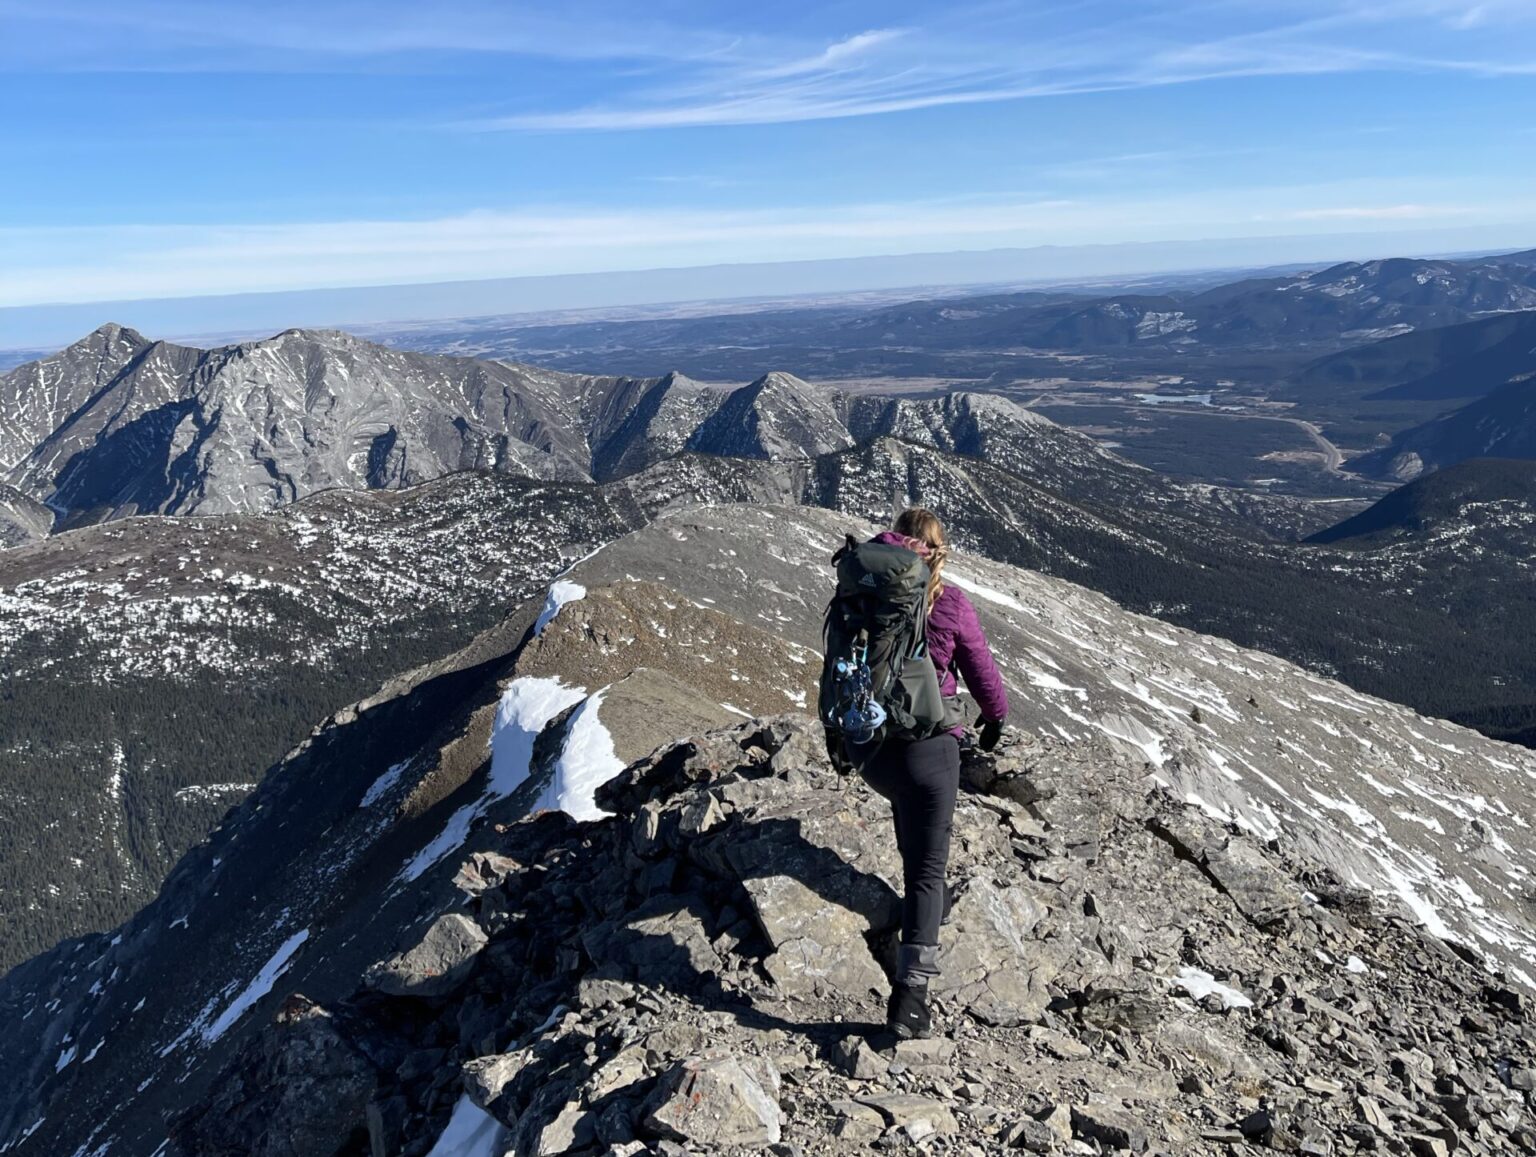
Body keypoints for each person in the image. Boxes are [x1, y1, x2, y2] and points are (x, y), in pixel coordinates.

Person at [861, 507, 1009, 1039]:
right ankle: (911, 997)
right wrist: (996, 719)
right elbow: (982, 674)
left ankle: (918, 909)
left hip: (872, 750)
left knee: (910, 819)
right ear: (937, 550)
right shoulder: (948, 604)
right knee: (928, 869)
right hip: (928, 750)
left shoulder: (866, 590)